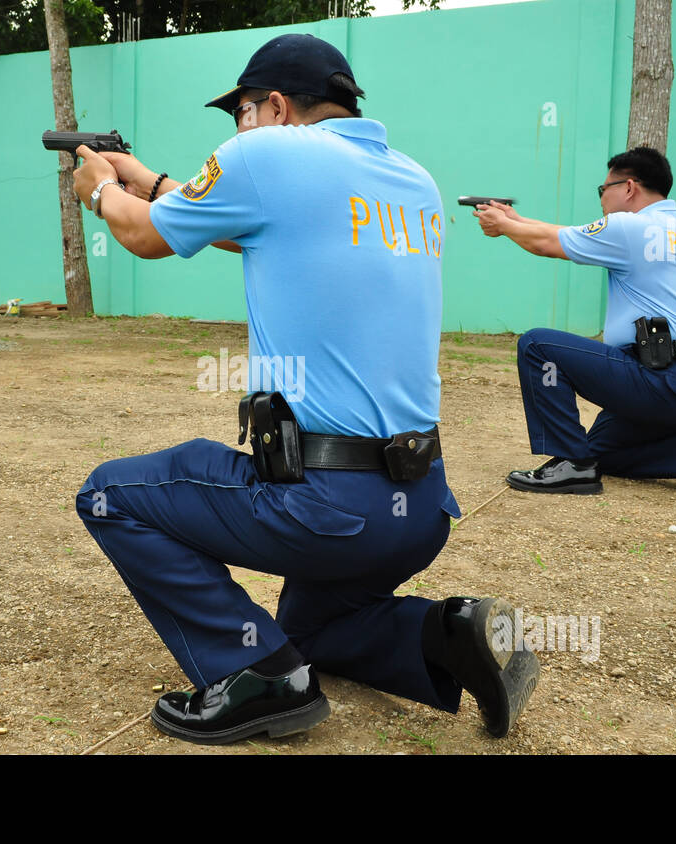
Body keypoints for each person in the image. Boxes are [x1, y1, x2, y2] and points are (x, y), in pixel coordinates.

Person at [69, 33, 538, 746]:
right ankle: (447, 634)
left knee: (110, 496)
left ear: (277, 106)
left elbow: (139, 235)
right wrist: (149, 175)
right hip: (417, 511)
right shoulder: (410, 177)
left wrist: (100, 190)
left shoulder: (265, 155)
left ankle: (259, 683)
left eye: (243, 114)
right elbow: (260, 226)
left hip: (326, 507)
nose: (237, 131)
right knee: (311, 628)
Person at [474, 147, 676, 496]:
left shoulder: (630, 227)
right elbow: (570, 232)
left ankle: (572, 466)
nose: (601, 198)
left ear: (629, 187)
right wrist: (516, 220)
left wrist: (503, 227)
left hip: (658, 382)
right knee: (598, 449)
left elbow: (546, 244)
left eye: (604, 189)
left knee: (538, 346)